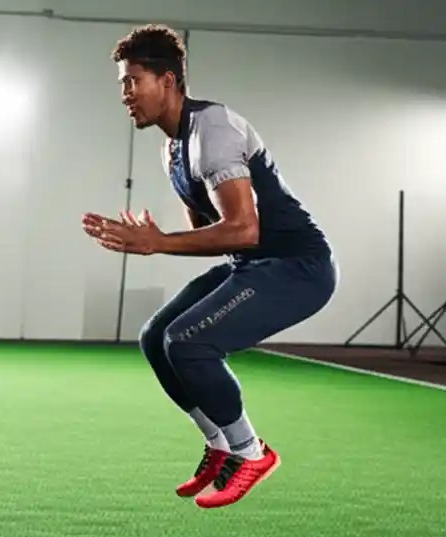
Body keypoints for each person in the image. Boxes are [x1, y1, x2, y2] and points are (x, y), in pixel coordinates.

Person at [82, 25, 338, 509]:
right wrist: (153, 239)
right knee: (156, 338)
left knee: (190, 342)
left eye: (132, 81)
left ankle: (250, 451)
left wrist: (156, 243)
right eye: (122, 84)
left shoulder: (213, 129)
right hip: (253, 265)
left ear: (169, 80)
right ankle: (220, 446)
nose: (125, 95)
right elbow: (212, 234)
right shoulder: (171, 148)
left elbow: (244, 229)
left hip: (298, 267)